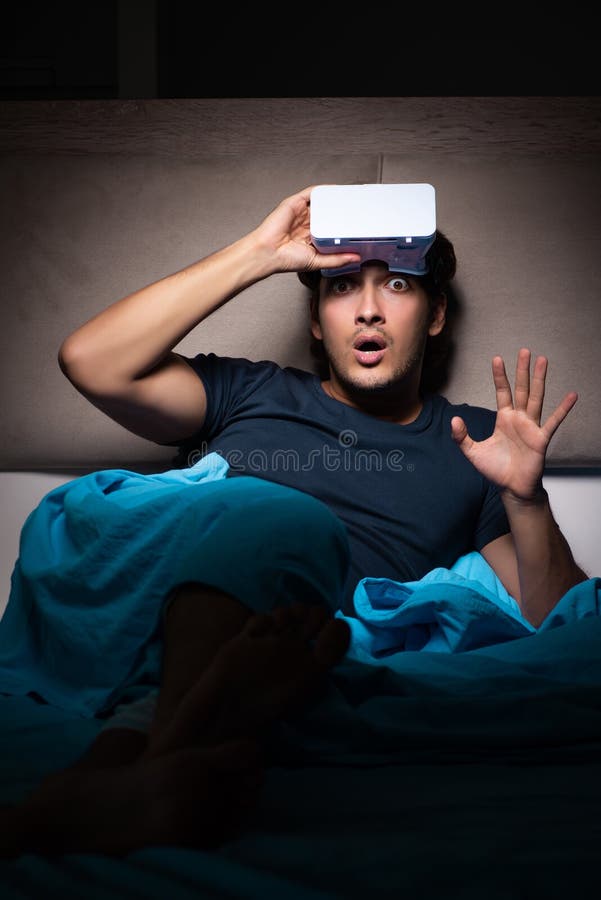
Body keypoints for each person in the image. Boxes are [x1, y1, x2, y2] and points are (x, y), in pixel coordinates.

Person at [0, 185, 588, 857]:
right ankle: (161, 766)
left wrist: (523, 496)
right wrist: (258, 253)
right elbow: (90, 362)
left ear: (434, 314)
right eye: (340, 287)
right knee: (281, 516)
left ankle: (100, 786)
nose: (367, 308)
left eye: (396, 284)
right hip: (174, 580)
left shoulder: (473, 440)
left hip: (285, 634)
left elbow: (556, 626)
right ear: (315, 321)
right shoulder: (252, 391)